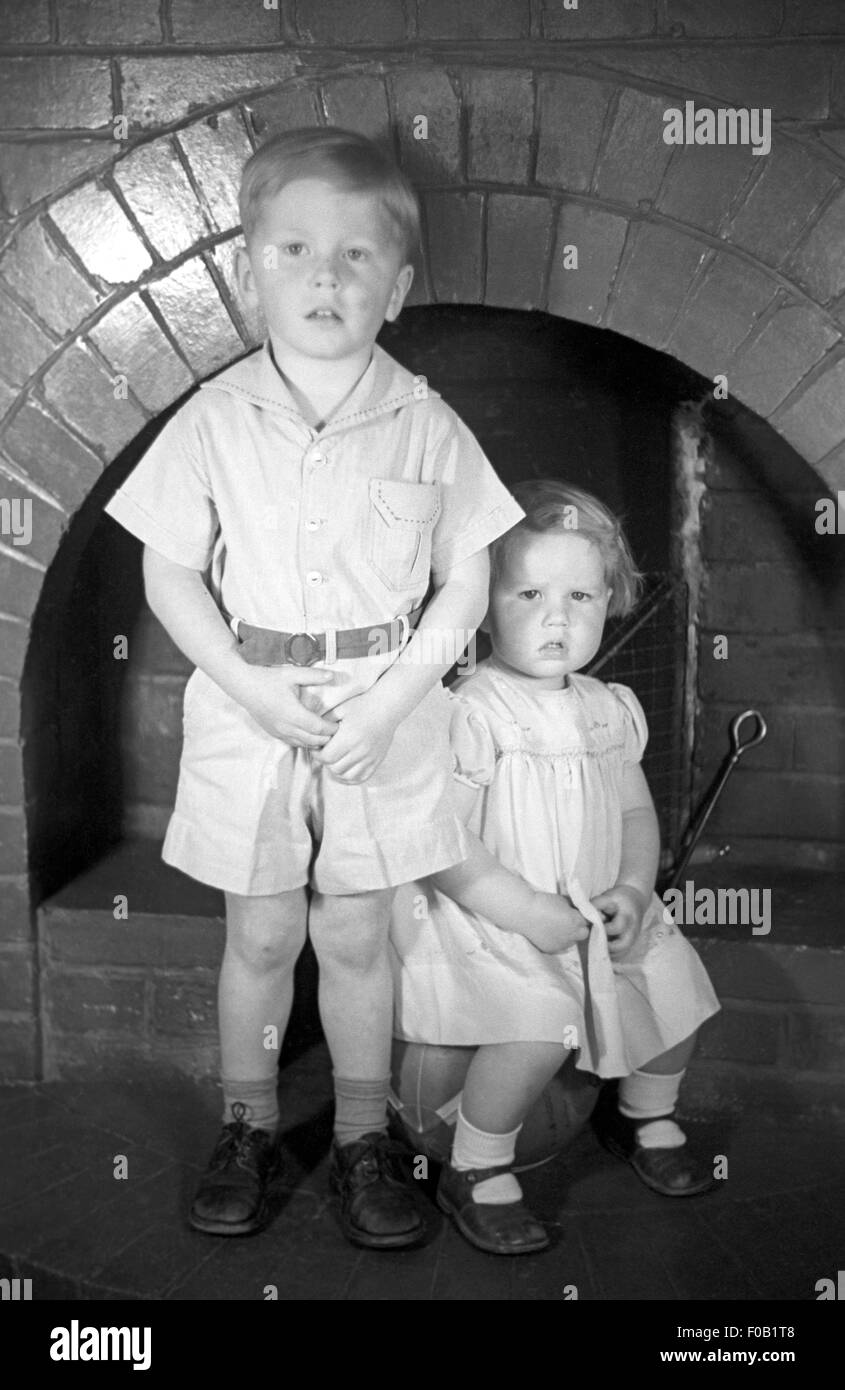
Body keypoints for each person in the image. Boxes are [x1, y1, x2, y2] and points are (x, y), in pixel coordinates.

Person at [103, 127, 532, 1248]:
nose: (323, 275)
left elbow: (464, 585)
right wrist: (246, 684)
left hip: (380, 715)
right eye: (293, 249)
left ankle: (357, 1135)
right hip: (253, 706)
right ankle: (246, 1121)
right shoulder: (211, 418)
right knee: (256, 935)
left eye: (354, 256)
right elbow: (170, 570)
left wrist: (389, 705)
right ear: (251, 277)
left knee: (355, 934)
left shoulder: (427, 424)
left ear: (395, 290)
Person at [390, 479, 721, 1255]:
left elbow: (636, 813)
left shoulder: (609, 707)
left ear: (611, 600)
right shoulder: (471, 711)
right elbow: (439, 842)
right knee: (541, 1021)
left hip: (594, 913)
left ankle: (644, 1110)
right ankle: (475, 1167)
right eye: (529, 592)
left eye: (580, 594)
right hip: (491, 921)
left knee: (676, 980)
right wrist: (524, 911)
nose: (556, 616)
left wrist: (635, 890)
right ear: (481, 603)